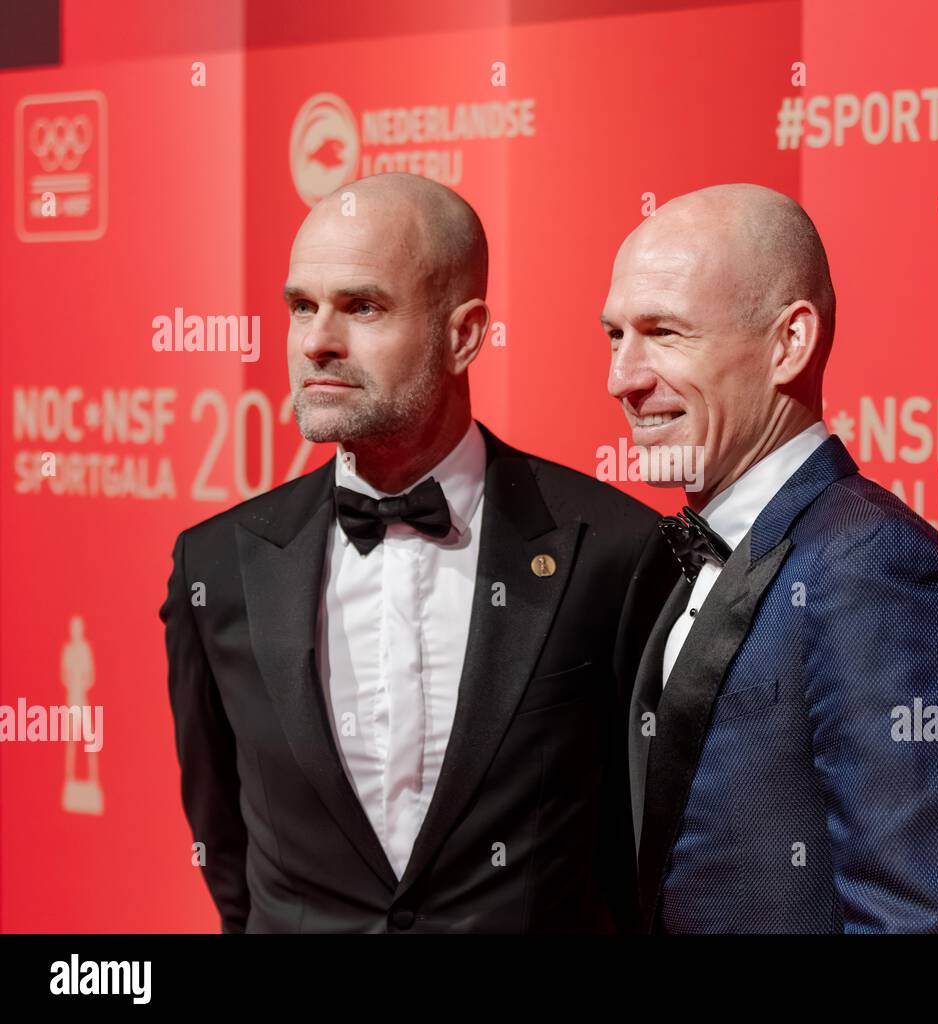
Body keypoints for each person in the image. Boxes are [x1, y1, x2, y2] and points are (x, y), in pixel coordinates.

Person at [162, 172, 667, 933]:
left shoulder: (614, 550)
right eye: (302, 307)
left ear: (463, 335)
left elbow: (640, 852)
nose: (318, 341)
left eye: (363, 307)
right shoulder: (217, 567)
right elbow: (223, 845)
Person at [602, 183, 938, 932]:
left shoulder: (876, 568)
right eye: (614, 336)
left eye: (664, 333)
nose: (622, 377)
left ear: (789, 343)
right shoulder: (687, 550)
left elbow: (916, 915)